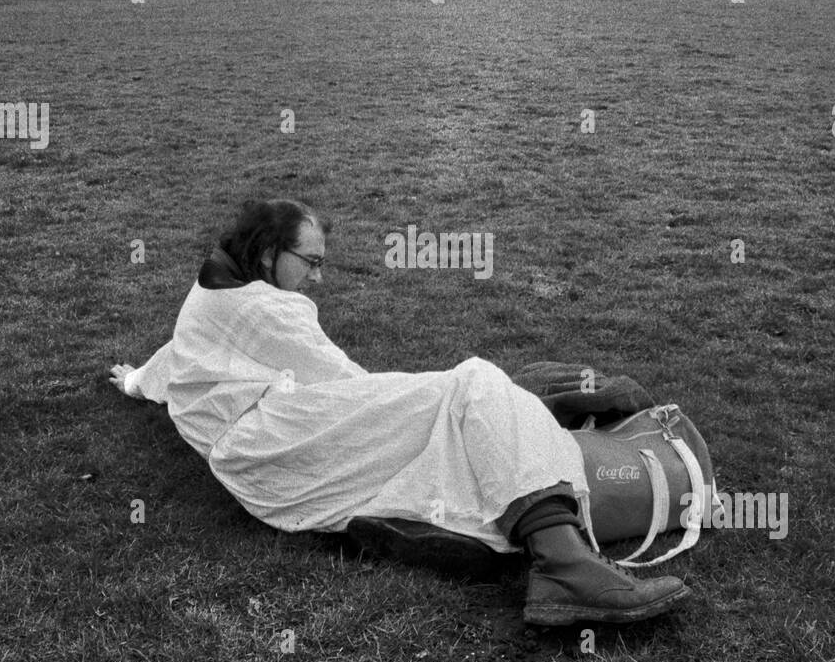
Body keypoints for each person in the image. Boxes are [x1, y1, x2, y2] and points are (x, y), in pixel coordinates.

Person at [109, 198, 689, 626]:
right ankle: (562, 563)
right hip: (273, 446)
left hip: (257, 457)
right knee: (472, 384)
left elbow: (179, 355)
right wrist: (461, 393)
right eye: (309, 262)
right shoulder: (270, 312)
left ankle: (468, 510)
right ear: (267, 254)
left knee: (469, 401)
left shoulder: (212, 289)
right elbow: (357, 389)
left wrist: (135, 382)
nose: (317, 277)